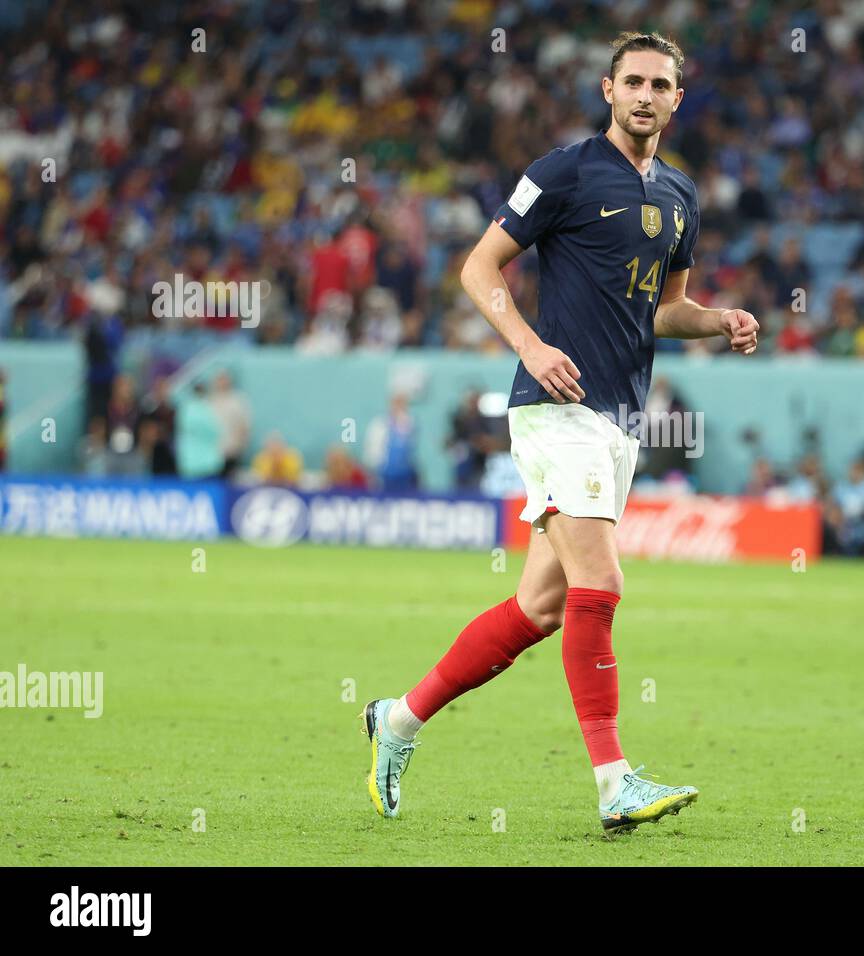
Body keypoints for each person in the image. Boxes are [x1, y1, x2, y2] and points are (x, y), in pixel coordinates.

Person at [361, 32, 760, 832]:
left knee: (541, 608)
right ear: (608, 89)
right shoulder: (565, 171)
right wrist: (532, 346)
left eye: (661, 85)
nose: (646, 95)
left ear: (679, 99)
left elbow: (664, 309)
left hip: (619, 421)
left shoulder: (680, 197)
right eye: (633, 81)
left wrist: (718, 320)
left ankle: (397, 720)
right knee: (601, 586)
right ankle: (614, 783)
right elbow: (479, 267)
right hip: (553, 408)